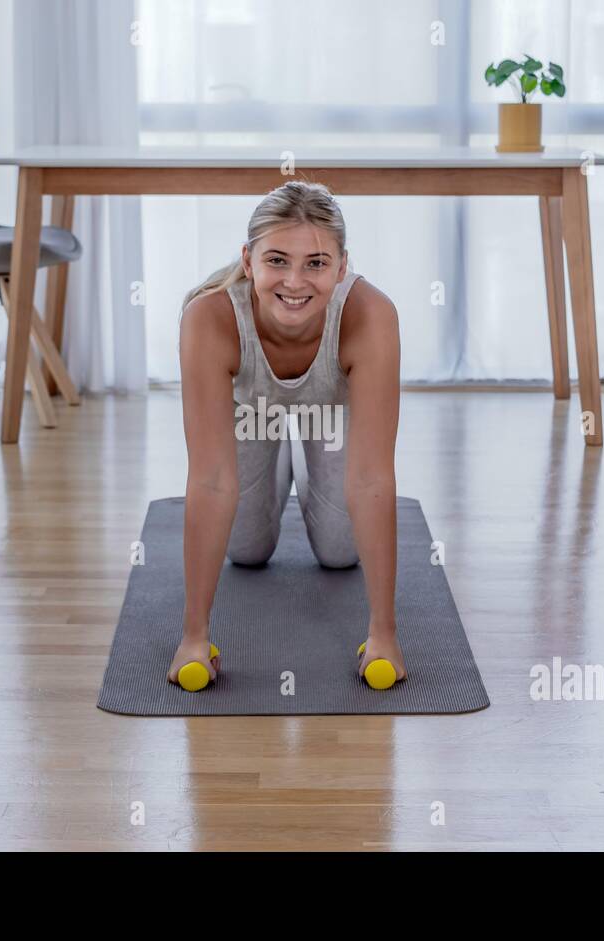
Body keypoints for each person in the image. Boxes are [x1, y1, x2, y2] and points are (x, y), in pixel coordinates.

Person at [168, 180, 406, 688]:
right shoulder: (208, 316)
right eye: (277, 260)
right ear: (248, 260)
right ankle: (277, 454)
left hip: (331, 406)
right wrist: (194, 635)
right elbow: (210, 480)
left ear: (342, 268)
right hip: (250, 411)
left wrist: (383, 631)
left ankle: (305, 456)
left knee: (341, 553)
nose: (295, 282)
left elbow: (371, 477)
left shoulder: (372, 316)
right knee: (247, 550)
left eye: (316, 264)